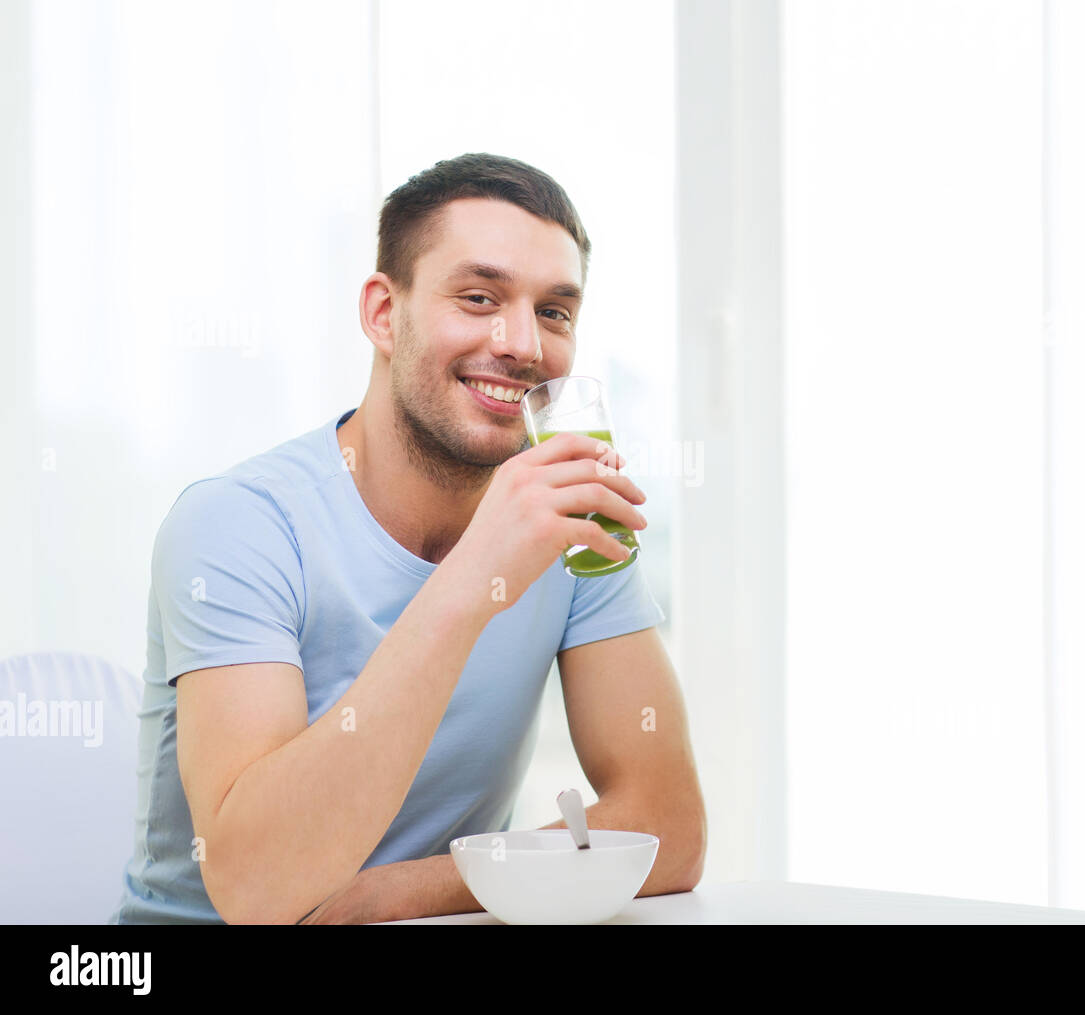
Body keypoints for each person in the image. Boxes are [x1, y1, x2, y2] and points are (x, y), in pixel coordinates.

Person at [110, 153, 707, 924]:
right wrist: (474, 576)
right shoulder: (239, 524)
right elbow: (258, 891)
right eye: (479, 296)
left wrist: (397, 894)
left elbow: (669, 825)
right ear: (384, 314)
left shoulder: (572, 521)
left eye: (555, 311)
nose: (522, 341)